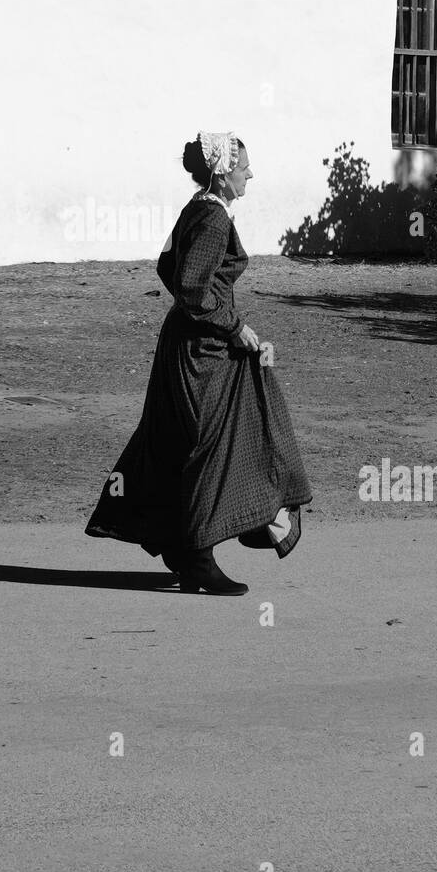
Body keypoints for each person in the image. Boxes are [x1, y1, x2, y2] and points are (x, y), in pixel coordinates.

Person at [85, 131, 311, 595]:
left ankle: (182, 542)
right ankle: (200, 556)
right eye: (244, 165)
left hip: (185, 343)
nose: (251, 173)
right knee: (213, 446)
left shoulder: (198, 208)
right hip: (203, 352)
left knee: (179, 441)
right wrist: (233, 326)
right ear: (223, 172)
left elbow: (166, 267)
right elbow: (190, 286)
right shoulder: (211, 219)